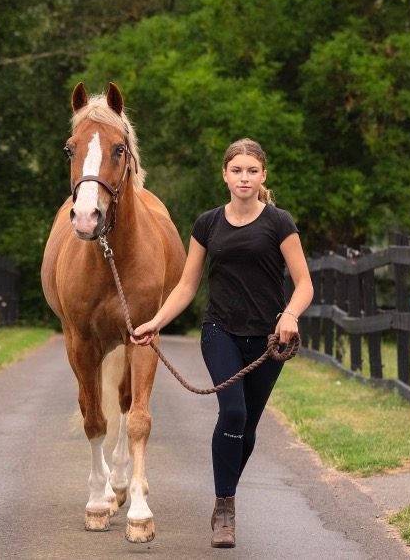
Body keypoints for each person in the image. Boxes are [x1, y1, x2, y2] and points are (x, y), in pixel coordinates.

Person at [131, 138, 313, 549]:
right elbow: (186, 286)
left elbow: (304, 284)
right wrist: (154, 322)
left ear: (263, 175)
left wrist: (289, 315)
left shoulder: (279, 223)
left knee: (246, 427)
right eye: (237, 170)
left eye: (252, 170)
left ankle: (224, 494)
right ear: (225, 175)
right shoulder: (207, 224)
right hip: (220, 331)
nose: (244, 178)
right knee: (232, 412)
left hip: (268, 340)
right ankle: (225, 508)